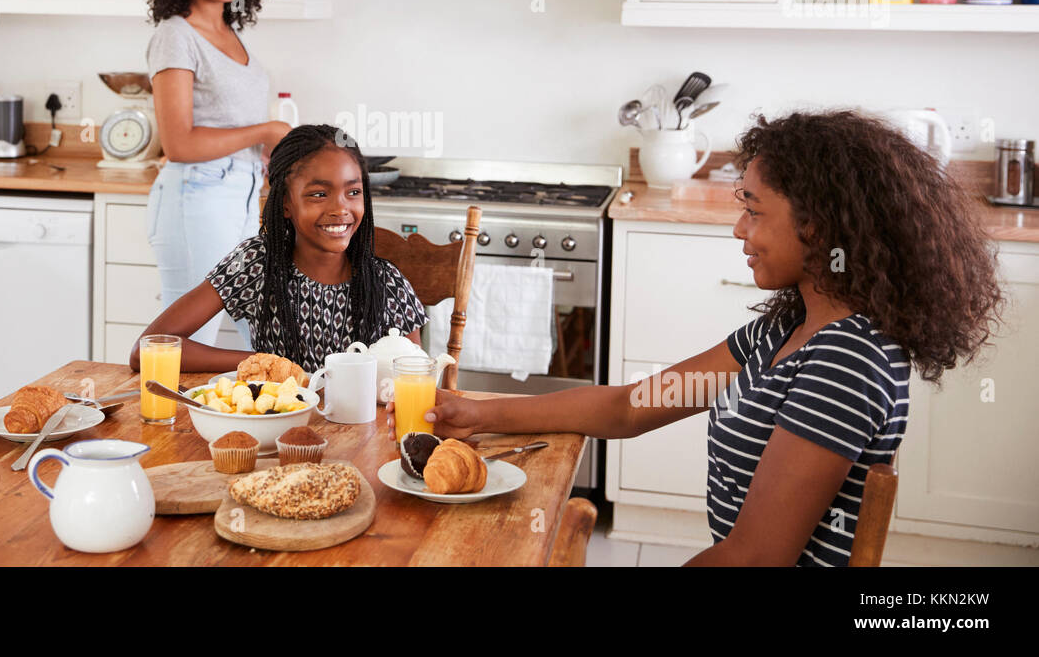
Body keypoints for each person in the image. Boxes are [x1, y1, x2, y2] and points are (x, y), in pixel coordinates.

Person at [389, 110, 1004, 566]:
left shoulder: (845, 361)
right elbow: (631, 407)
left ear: (821, 225)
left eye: (755, 210)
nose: (738, 228)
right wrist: (482, 409)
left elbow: (754, 559)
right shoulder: (783, 332)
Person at [131, 124, 430, 374]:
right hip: (276, 431)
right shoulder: (257, 263)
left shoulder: (386, 283)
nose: (340, 208)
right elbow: (146, 350)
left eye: (353, 192)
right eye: (319, 194)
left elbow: (416, 381)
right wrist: (263, 364)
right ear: (286, 203)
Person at [144, 0, 293, 351]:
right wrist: (264, 132)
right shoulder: (176, 35)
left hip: (243, 197)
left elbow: (227, 124)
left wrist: (266, 152)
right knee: (183, 343)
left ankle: (259, 423)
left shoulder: (230, 33)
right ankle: (157, 421)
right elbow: (179, 142)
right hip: (198, 195)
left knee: (268, 336)